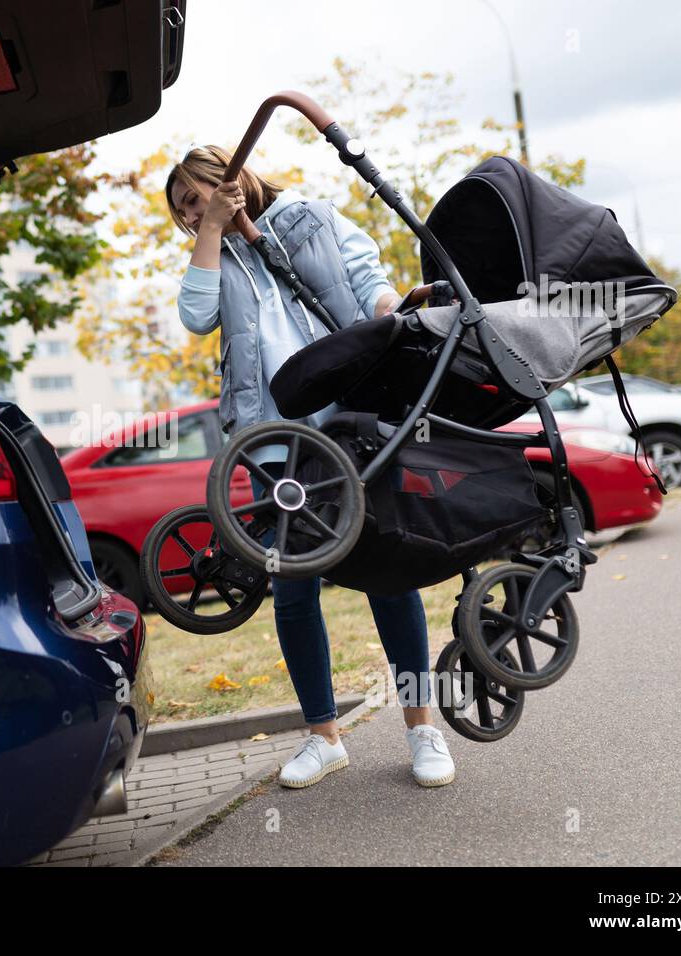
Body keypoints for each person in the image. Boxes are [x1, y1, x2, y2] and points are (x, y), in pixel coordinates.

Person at [166, 145, 455, 789]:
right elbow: (194, 316)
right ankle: (323, 736)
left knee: (387, 570)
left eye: (197, 194)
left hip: (351, 417)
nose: (192, 210)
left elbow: (364, 275)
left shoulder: (308, 216)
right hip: (273, 436)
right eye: (184, 207)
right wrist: (211, 230)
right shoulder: (212, 256)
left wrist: (394, 314)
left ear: (230, 173)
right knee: (294, 584)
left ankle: (421, 726)